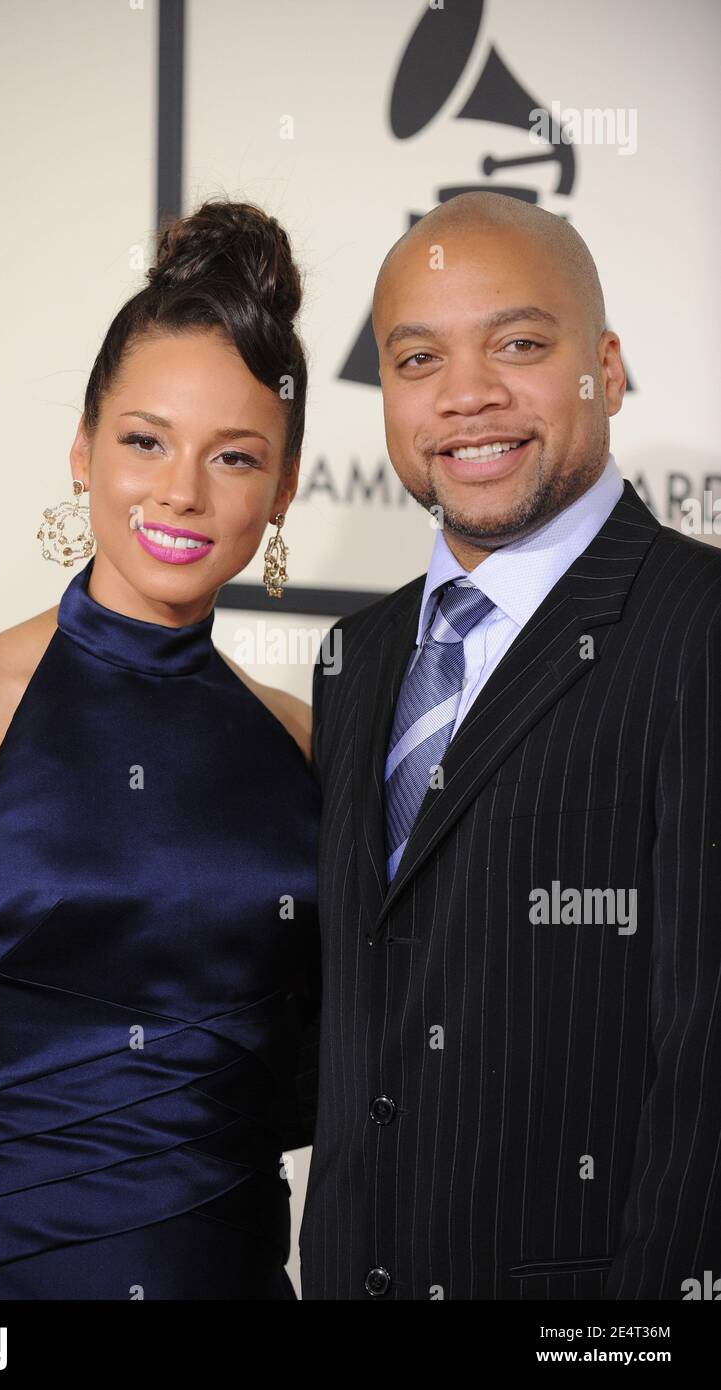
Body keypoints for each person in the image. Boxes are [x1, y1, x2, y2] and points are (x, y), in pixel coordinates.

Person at [0, 199, 321, 1299]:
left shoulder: (307, 744)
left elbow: (356, 1062)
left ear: (285, 487)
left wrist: (85, 1076)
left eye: (236, 456)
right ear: (82, 446)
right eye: (144, 440)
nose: (180, 492)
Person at [296, 192, 721, 1299]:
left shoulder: (701, 628)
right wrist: (56, 1072)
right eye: (417, 357)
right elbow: (357, 1013)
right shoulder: (358, 655)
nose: (467, 395)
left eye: (520, 345)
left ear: (608, 369)